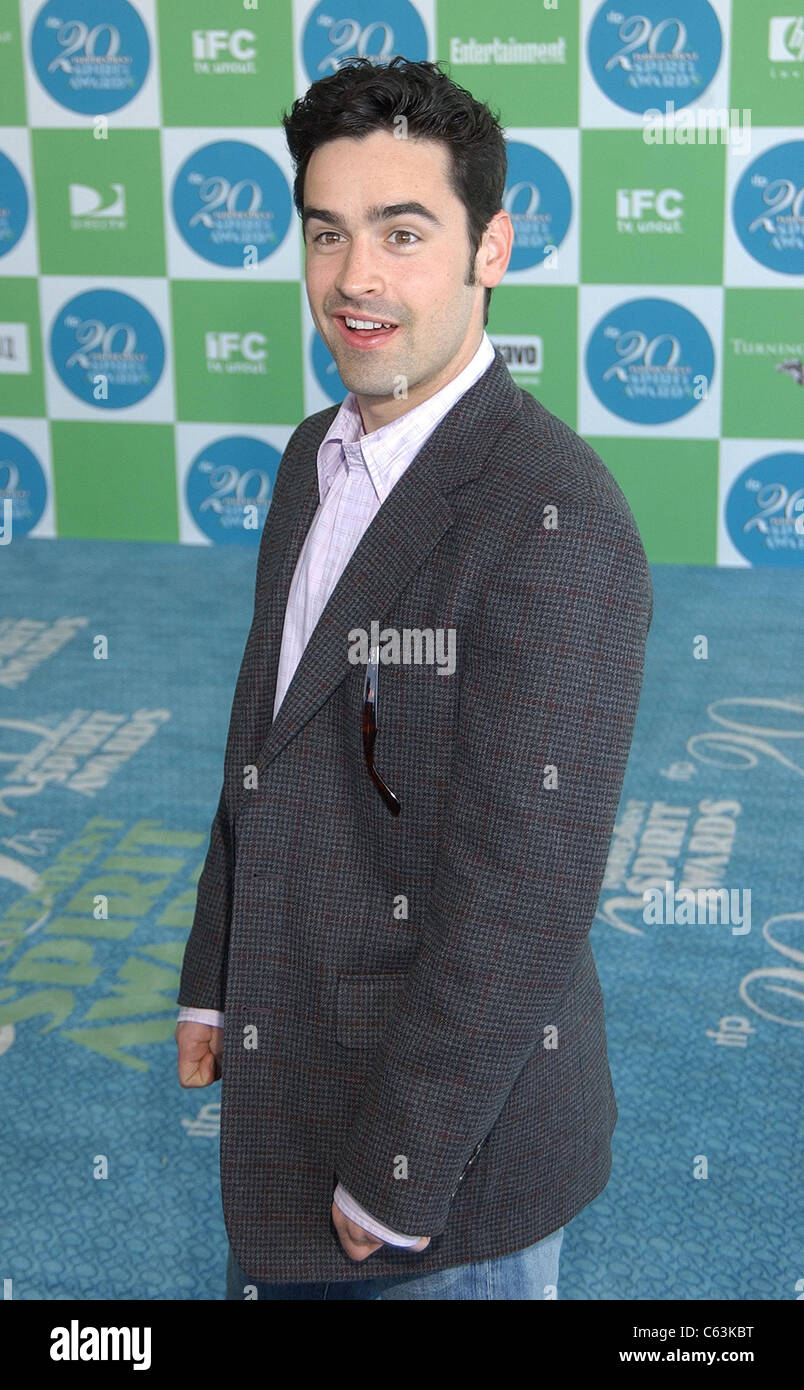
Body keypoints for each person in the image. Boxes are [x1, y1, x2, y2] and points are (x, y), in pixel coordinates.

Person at [175, 56, 653, 1301]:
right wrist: (214, 978)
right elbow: (263, 738)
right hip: (291, 1090)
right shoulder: (307, 457)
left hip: (444, 1187)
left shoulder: (556, 519)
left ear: (491, 247)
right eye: (327, 234)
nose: (355, 280)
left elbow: (524, 904)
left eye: (403, 232)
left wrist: (397, 1174)